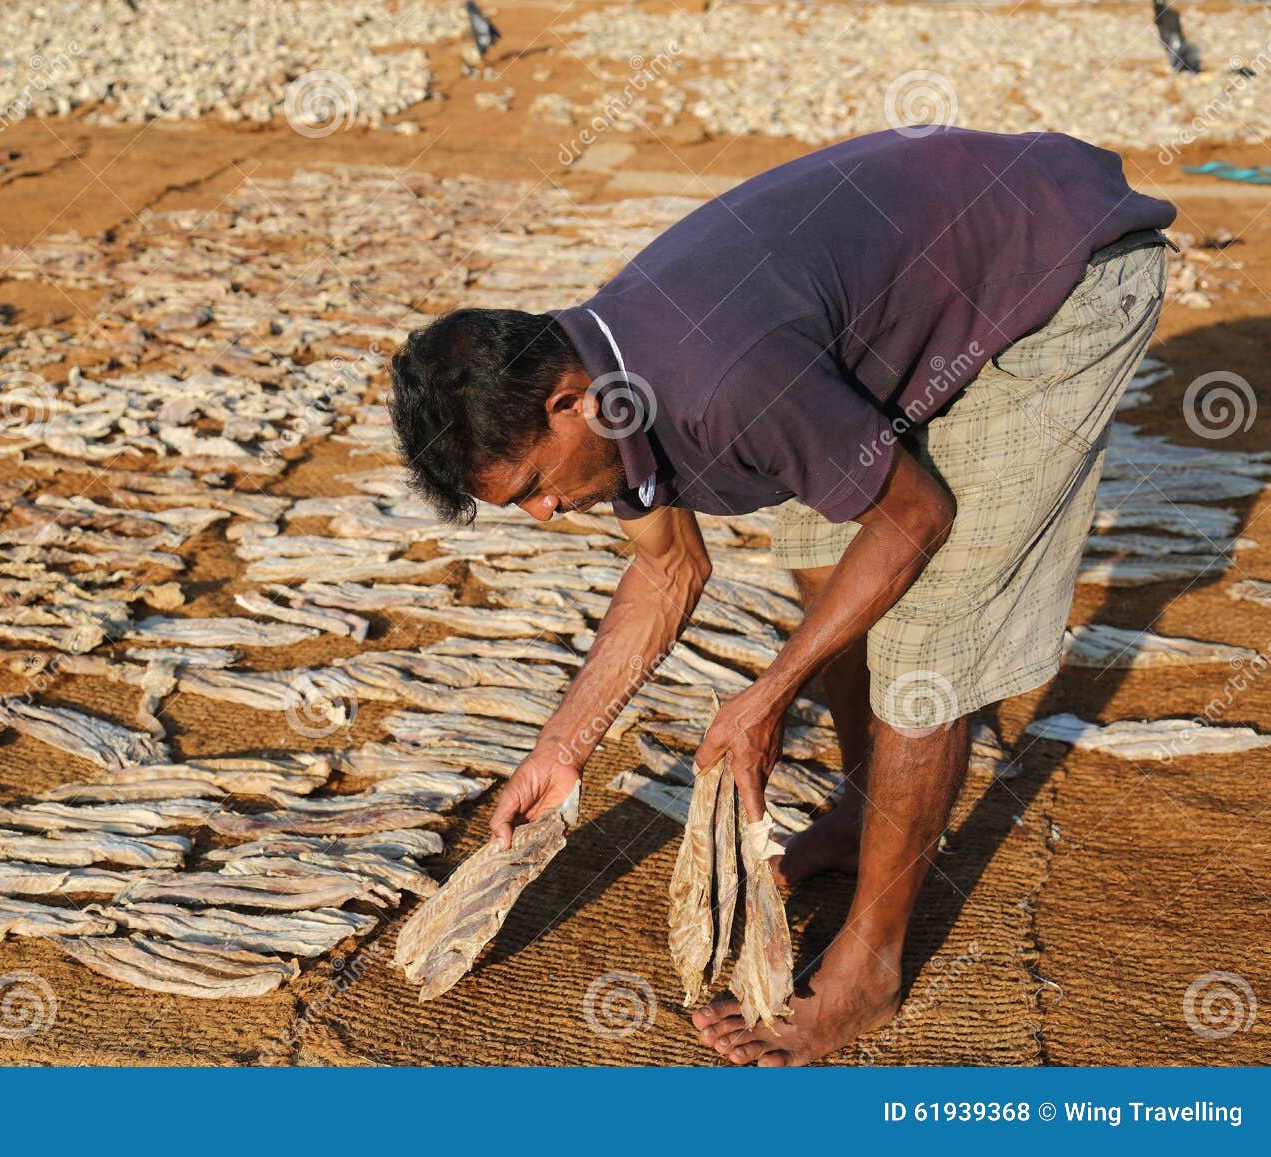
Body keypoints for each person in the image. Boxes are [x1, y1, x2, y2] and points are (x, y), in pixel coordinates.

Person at [387, 126, 1174, 1066]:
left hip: (1062, 273)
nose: (549, 514)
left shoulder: (718, 378)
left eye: (534, 489)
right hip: (944, 273)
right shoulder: (601, 377)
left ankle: (868, 969)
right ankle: (859, 805)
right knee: (813, 538)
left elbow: (912, 516)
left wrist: (770, 693)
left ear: (566, 401)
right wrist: (562, 751)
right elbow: (668, 566)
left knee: (924, 643)